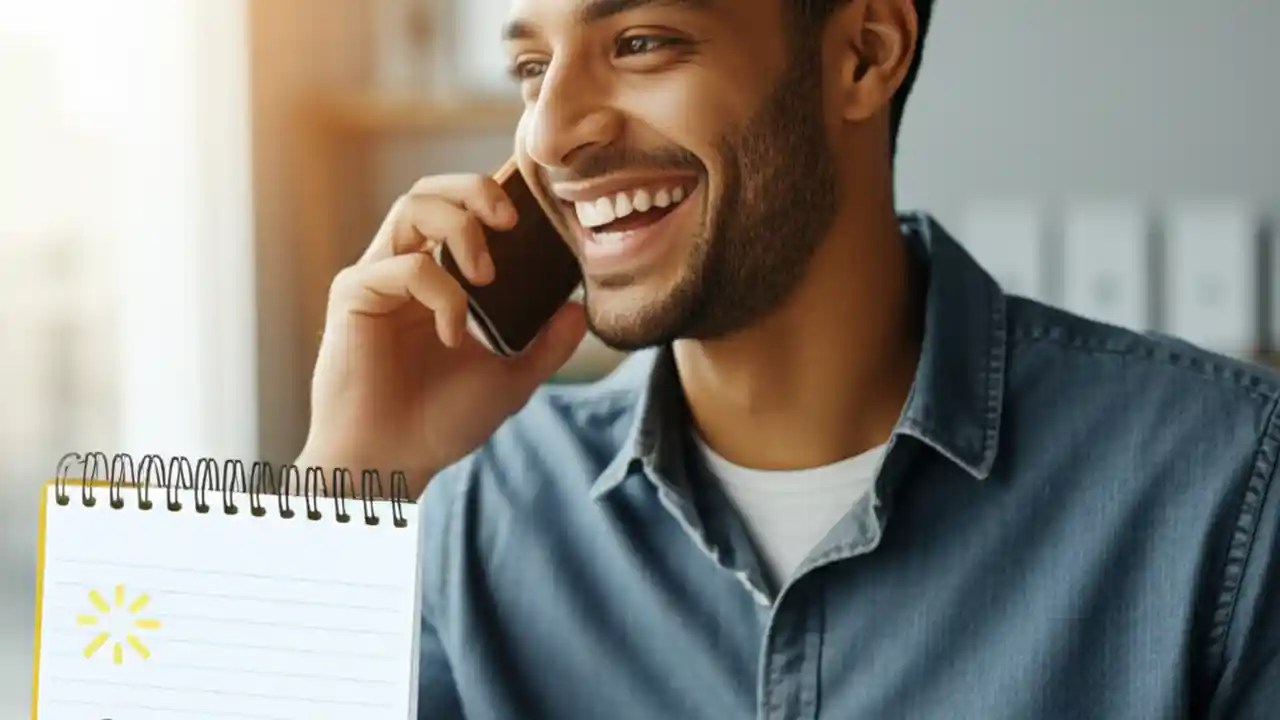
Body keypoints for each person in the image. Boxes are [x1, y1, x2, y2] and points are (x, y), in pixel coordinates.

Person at [296, 0, 1280, 717]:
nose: (549, 133)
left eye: (639, 44)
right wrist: (341, 484)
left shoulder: (1226, 487)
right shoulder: (478, 505)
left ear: (863, 52)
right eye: (529, 71)